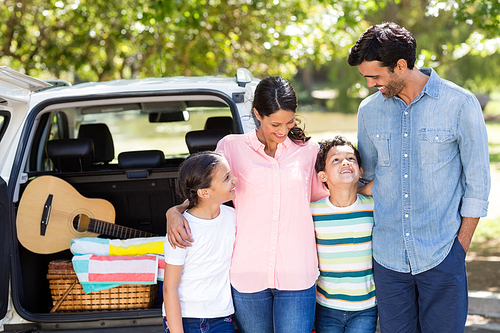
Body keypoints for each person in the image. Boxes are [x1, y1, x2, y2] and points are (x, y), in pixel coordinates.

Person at [347, 22, 491, 332]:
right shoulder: (368, 111)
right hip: (388, 261)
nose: (371, 84)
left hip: (442, 255)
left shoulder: (460, 104)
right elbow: (366, 180)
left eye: (375, 75)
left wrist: (459, 249)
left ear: (401, 65)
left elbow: (478, 184)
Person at [166, 76, 329, 333]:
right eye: (275, 123)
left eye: (290, 122)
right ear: (257, 114)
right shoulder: (231, 147)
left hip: (298, 273)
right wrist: (174, 211)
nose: (283, 130)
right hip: (247, 276)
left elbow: (326, 201)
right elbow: (205, 192)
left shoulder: (308, 150)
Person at [162, 151, 238, 333]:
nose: (234, 179)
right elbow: (169, 288)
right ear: (204, 192)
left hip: (222, 317)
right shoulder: (181, 229)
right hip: (186, 319)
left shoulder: (233, 217)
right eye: (227, 178)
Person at [311, 136, 377, 333]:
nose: (346, 162)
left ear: (361, 172)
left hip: (365, 307)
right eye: (336, 160)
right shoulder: (313, 212)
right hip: (327, 307)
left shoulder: (372, 207)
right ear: (323, 176)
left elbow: (387, 182)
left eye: (351, 159)